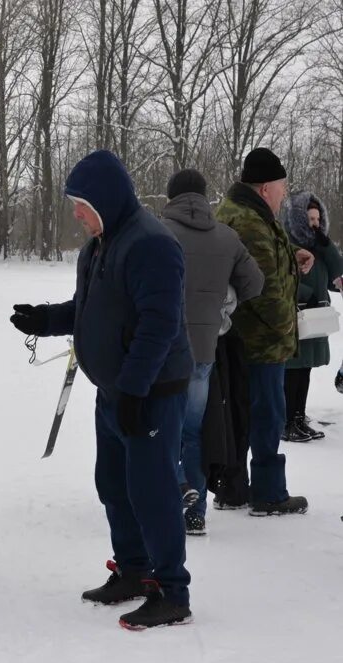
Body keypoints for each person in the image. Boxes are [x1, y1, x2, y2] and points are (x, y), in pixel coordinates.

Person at [9, 150, 194, 630]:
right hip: (115, 389)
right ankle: (133, 570)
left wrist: (134, 389)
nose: (75, 213)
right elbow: (90, 307)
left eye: (80, 203)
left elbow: (161, 324)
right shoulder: (99, 244)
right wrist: (46, 318)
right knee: (113, 484)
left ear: (105, 200)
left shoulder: (152, 244)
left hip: (151, 390)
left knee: (152, 491)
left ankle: (171, 590)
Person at [160, 169, 264, 536]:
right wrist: (224, 292)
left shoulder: (158, 233)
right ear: (205, 197)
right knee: (191, 432)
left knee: (156, 428)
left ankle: (169, 496)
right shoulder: (227, 237)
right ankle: (196, 511)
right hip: (203, 352)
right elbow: (255, 283)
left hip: (162, 352)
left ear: (170, 198)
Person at [214, 148, 314, 517]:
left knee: (238, 414)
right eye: (282, 187)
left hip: (239, 336)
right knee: (267, 414)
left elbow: (269, 257)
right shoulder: (251, 222)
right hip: (260, 340)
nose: (285, 194)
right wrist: (289, 326)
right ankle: (269, 493)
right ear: (266, 187)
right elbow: (265, 287)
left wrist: (295, 253)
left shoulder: (241, 213)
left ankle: (233, 488)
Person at [280, 192, 343, 442]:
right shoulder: (288, 243)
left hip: (314, 317)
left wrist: (327, 245)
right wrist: (305, 293)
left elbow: (335, 275)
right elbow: (280, 277)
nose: (315, 223)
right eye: (310, 218)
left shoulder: (319, 246)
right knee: (292, 370)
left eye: (318, 218)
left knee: (305, 370)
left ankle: (298, 417)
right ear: (299, 219)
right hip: (295, 316)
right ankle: (287, 422)